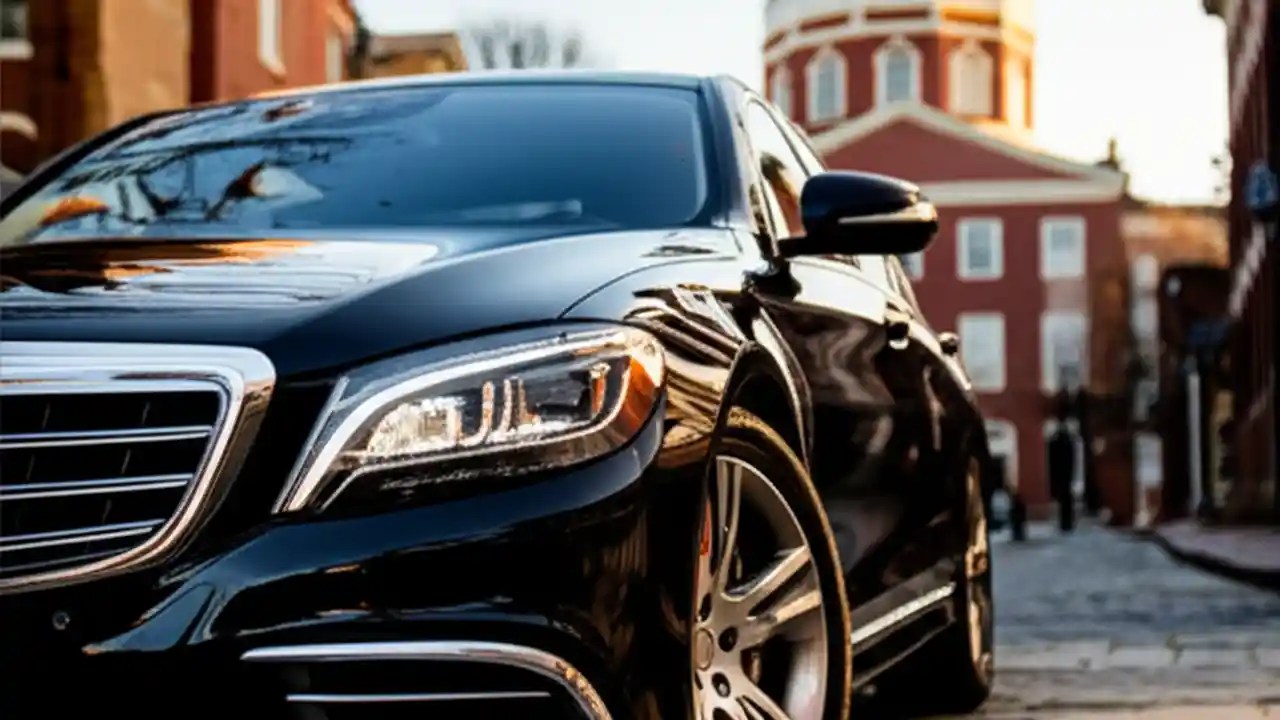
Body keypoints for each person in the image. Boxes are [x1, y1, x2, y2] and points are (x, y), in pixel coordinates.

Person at [1047, 422, 1077, 532]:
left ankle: (1065, 524)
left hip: (1059, 475)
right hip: (1066, 475)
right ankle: (1067, 524)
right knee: (1066, 503)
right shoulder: (1069, 442)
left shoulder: (1054, 443)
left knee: (1063, 502)